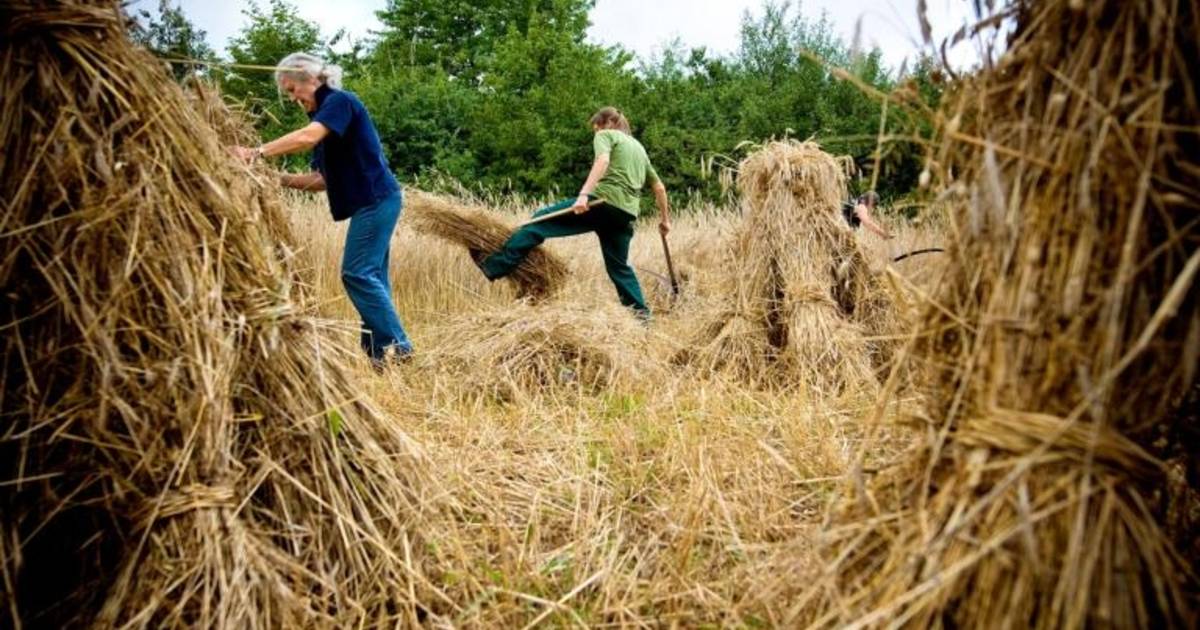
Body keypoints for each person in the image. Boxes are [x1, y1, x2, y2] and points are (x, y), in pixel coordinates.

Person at [232, 52, 412, 370]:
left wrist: (255, 153)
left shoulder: (339, 102)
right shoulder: (325, 123)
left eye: (292, 90)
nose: (292, 98)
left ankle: (400, 348)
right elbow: (320, 181)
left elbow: (307, 136)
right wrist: (275, 179)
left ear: (311, 79)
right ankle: (378, 357)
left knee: (357, 273)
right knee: (373, 279)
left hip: (377, 200)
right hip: (374, 202)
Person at [474, 107, 670, 319]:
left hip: (601, 202)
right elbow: (659, 187)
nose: (596, 133)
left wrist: (584, 195)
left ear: (609, 123)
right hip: (626, 213)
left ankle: (494, 266)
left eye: (596, 128)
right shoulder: (639, 149)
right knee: (620, 268)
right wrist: (665, 220)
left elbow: (602, 161)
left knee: (538, 222)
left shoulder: (606, 135)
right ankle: (643, 319)